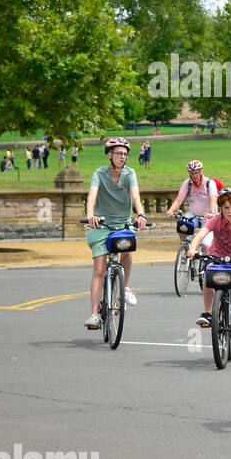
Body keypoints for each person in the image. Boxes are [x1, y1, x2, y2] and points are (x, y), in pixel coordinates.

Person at [83, 138, 150, 328]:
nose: (123, 157)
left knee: (128, 248)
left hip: (123, 224)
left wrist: (141, 214)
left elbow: (135, 196)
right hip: (102, 224)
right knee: (99, 271)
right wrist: (90, 215)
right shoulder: (99, 173)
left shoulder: (130, 173)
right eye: (119, 153)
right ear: (109, 154)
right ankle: (95, 315)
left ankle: (125, 286)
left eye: (125, 154)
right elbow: (92, 196)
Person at [188, 187, 231, 338]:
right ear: (220, 208)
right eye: (226, 208)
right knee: (208, 278)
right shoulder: (216, 220)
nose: (230, 211)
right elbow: (200, 235)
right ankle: (208, 313)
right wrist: (192, 249)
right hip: (217, 257)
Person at [164, 161, 220, 256]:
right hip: (194, 215)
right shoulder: (187, 183)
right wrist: (171, 210)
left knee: (206, 245)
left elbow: (213, 199)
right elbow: (179, 199)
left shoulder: (209, 183)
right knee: (182, 225)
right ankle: (186, 249)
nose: (194, 176)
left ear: (201, 171)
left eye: (196, 173)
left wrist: (211, 212)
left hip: (209, 217)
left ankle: (205, 266)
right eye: (191, 173)